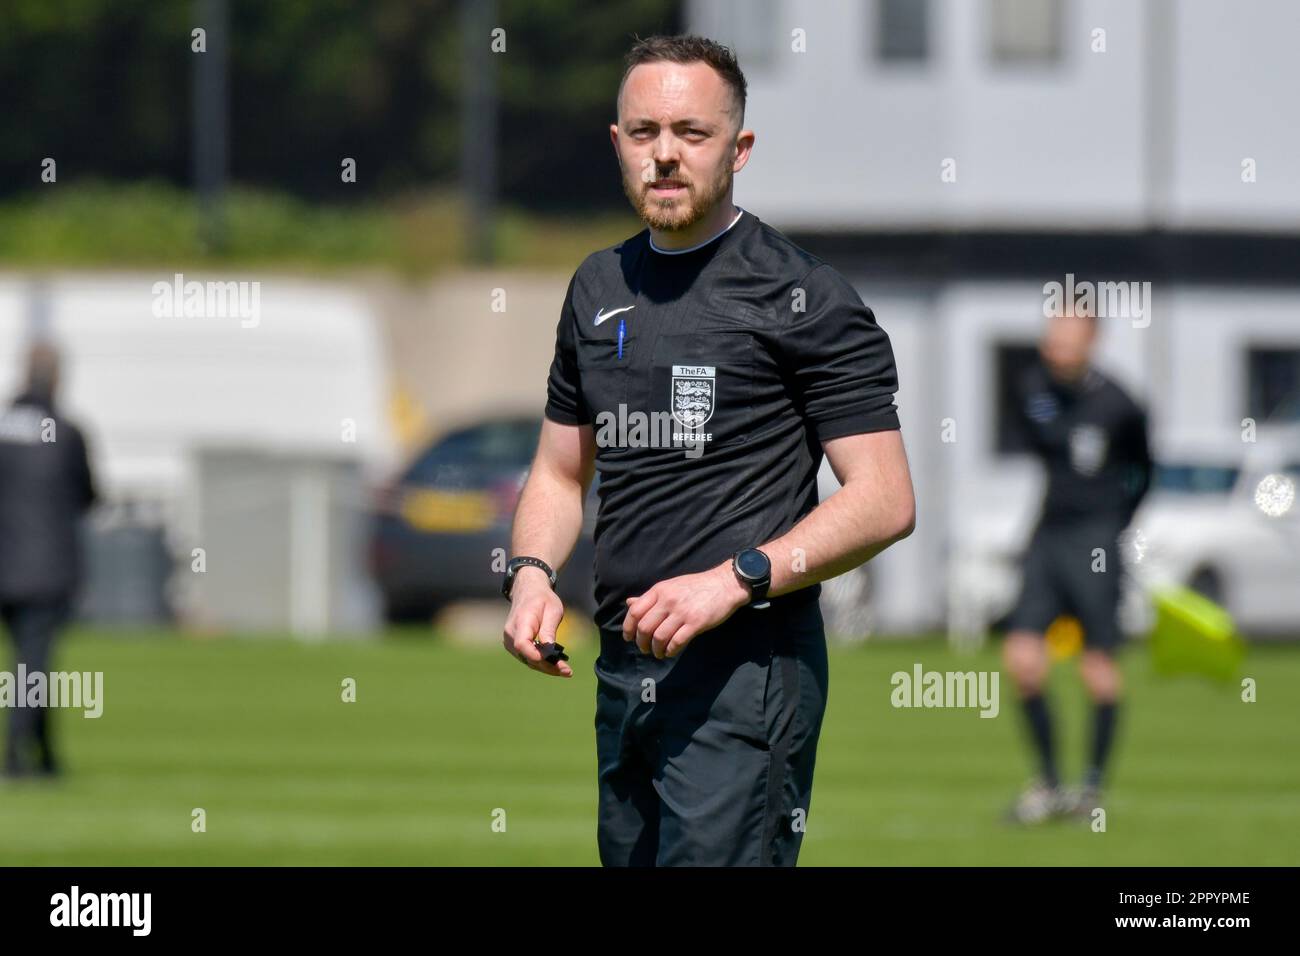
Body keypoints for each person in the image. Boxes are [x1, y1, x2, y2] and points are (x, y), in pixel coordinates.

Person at [501, 35, 915, 866]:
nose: (665, 155)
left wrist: (736, 580)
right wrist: (531, 576)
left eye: (691, 133)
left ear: (739, 148)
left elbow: (884, 500)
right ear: (617, 143)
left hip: (745, 676)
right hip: (624, 672)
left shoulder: (806, 297)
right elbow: (557, 472)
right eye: (644, 131)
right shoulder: (597, 287)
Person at [1002, 305, 1152, 823]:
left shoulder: (1121, 404)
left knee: (1098, 670)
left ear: (1091, 341)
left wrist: (1115, 525)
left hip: (1095, 541)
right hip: (1047, 536)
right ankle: (1047, 784)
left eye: (1067, 339)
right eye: (1052, 338)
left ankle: (1090, 790)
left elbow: (1144, 470)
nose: (1056, 348)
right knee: (1022, 660)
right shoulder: (1030, 388)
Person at [0, 341, 98, 779]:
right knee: (34, 663)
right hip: (45, 568)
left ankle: (45, 754)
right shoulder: (67, 432)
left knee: (31, 664)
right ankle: (19, 754)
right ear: (57, 378)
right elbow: (89, 496)